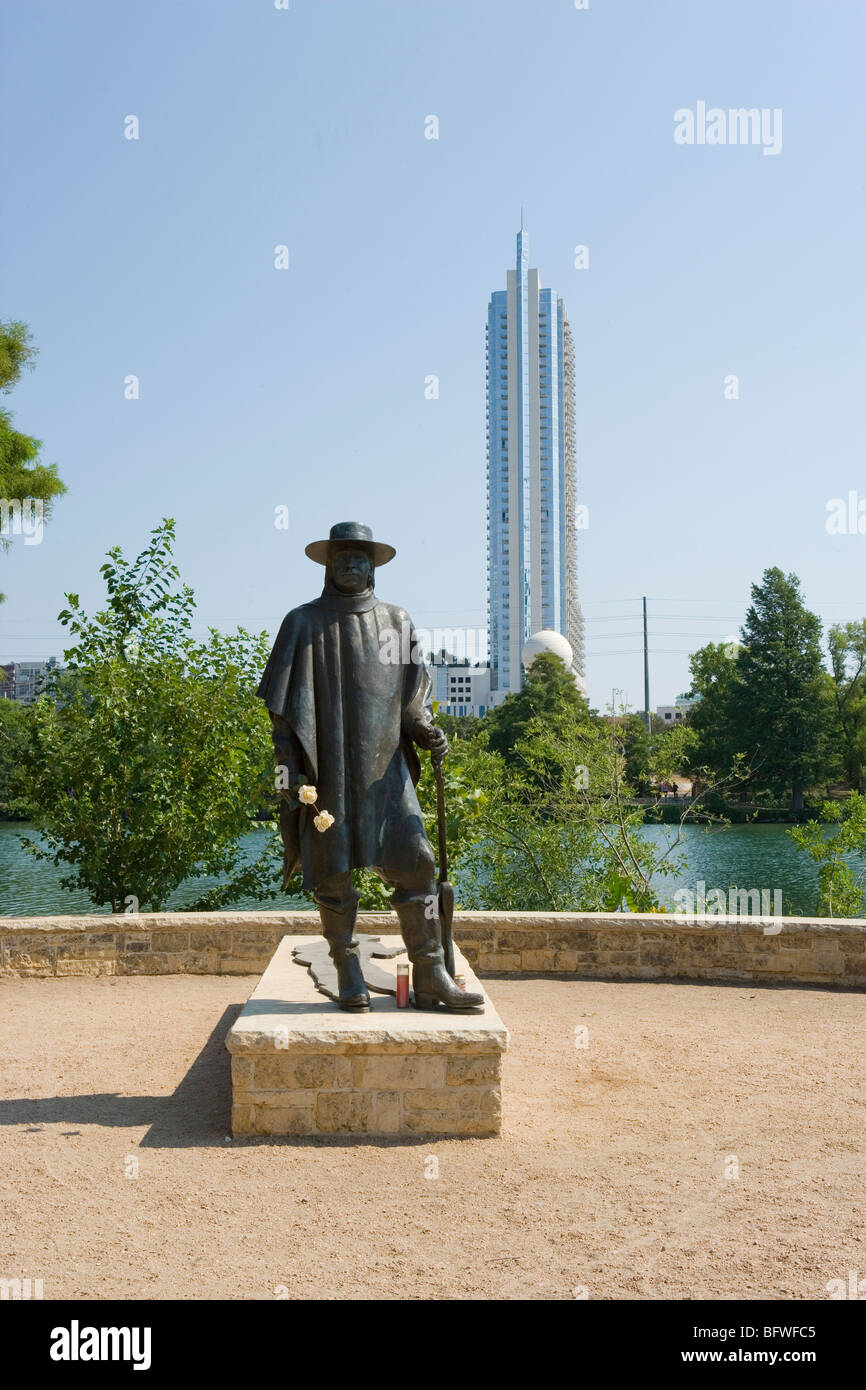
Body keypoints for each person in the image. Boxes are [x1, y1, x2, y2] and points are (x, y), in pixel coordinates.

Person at [256, 521, 483, 1015]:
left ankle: (430, 970)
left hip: (386, 769)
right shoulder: (302, 623)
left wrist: (426, 732)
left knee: (417, 860)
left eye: (361, 558)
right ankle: (348, 967)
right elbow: (282, 715)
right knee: (331, 870)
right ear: (328, 565)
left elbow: (412, 701)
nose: (352, 566)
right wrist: (286, 775)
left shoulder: (396, 622)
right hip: (327, 770)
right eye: (343, 558)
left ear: (373, 566)